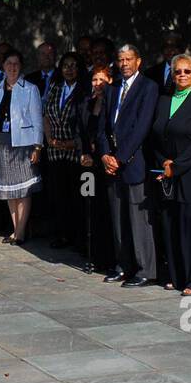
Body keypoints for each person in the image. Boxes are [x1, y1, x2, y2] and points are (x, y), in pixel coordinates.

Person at [150, 53, 191, 295]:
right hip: (166, 174)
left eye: (187, 71)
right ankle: (176, 277)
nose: (182, 75)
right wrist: (163, 163)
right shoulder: (164, 99)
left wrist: (176, 165)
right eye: (178, 71)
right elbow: (156, 134)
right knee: (170, 225)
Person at [96, 44, 158, 285]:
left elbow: (141, 127)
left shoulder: (148, 88)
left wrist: (120, 158)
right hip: (111, 164)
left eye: (128, 59)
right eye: (120, 60)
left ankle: (145, 270)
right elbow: (102, 127)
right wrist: (104, 155)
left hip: (133, 163)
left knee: (138, 220)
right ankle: (123, 265)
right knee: (118, 218)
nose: (124, 64)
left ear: (138, 61)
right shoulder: (111, 90)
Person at [0, 49, 43, 244]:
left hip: (23, 144)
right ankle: (15, 229)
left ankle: (21, 231)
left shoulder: (30, 89)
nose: (13, 68)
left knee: (23, 190)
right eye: (9, 64)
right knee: (9, 189)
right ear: (3, 66)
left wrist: (37, 146)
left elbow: (37, 120)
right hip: (2, 144)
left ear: (21, 66)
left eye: (16, 64)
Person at [42, 52, 84, 250]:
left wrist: (71, 143)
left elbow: (85, 122)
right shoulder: (55, 88)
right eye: (65, 65)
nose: (69, 69)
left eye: (73, 65)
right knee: (59, 195)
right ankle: (62, 234)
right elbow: (46, 115)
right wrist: (50, 139)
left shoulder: (83, 90)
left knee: (77, 196)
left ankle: (78, 237)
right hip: (55, 151)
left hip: (76, 152)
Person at [78, 64, 115, 275]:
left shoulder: (113, 103)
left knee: (107, 209)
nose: (98, 84)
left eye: (102, 80)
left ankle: (109, 257)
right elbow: (80, 132)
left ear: (110, 81)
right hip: (88, 166)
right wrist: (83, 153)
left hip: (106, 165)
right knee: (90, 207)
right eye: (94, 80)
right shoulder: (86, 103)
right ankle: (92, 255)